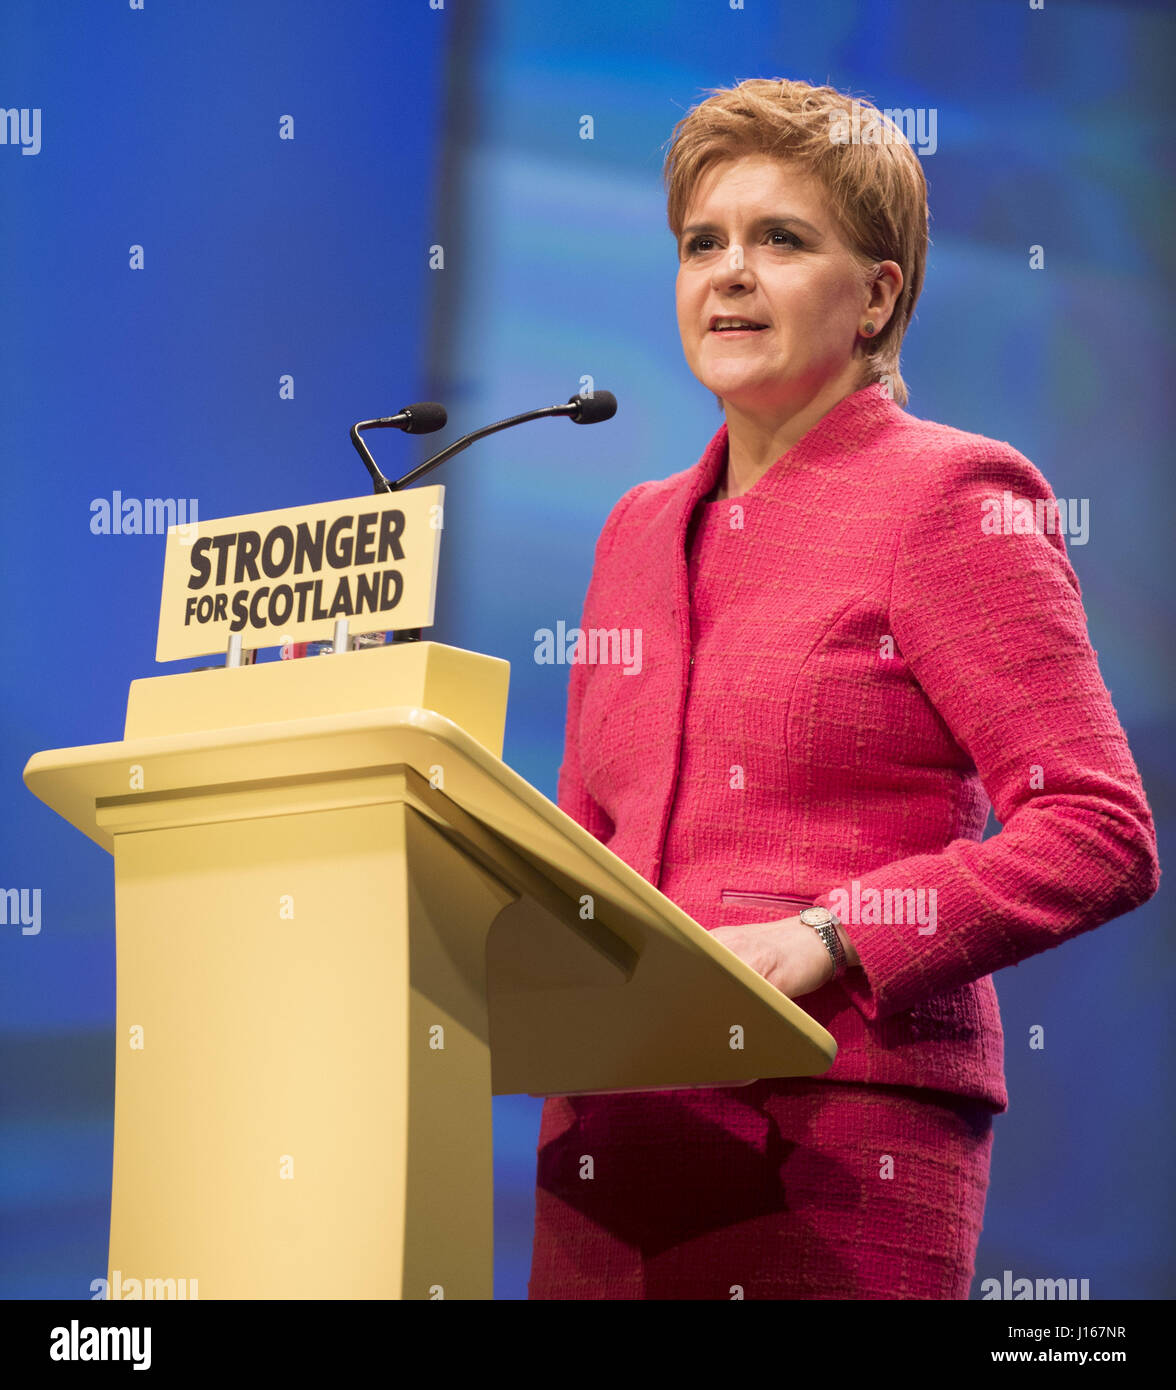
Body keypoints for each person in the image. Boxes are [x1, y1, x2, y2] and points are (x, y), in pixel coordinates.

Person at [527, 78, 1160, 1300]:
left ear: (877, 296)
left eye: (780, 239)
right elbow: (583, 846)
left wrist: (829, 936)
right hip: (606, 1141)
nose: (729, 273)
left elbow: (1098, 830)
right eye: (702, 243)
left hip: (835, 1135)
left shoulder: (953, 499)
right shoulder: (634, 530)